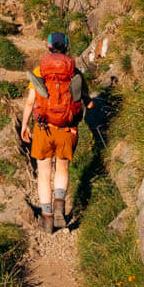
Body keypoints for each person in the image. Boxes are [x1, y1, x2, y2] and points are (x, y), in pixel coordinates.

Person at [20, 31, 92, 232]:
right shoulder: (74, 72)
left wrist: (25, 125)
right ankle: (60, 202)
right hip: (67, 129)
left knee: (44, 173)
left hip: (44, 128)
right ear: (67, 47)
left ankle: (48, 218)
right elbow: (86, 100)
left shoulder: (40, 70)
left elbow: (30, 102)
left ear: (48, 47)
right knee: (62, 168)